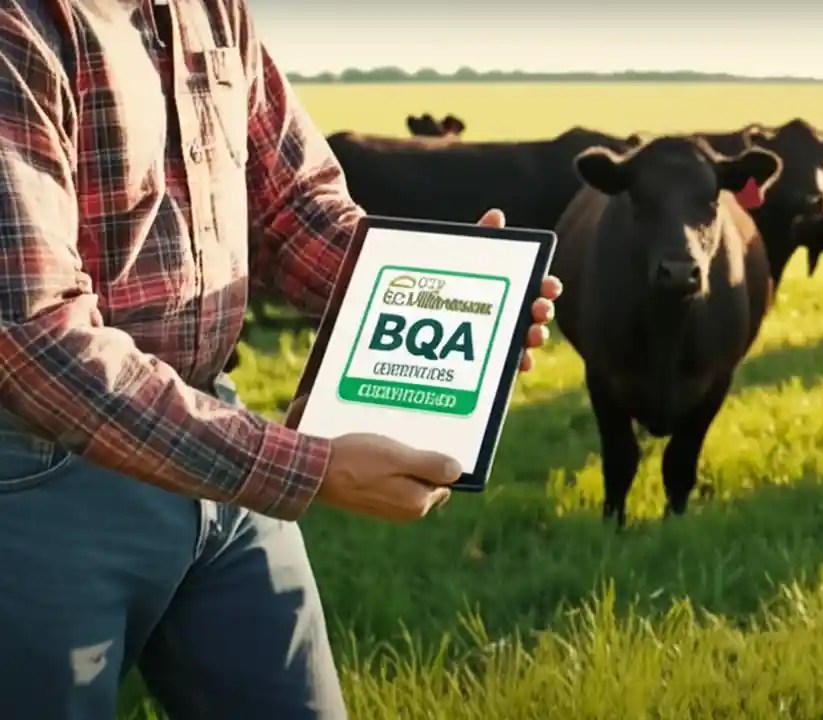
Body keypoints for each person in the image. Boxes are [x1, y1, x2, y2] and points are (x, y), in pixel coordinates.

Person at [0, 0, 560, 718]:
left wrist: (447, 300)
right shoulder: (23, 27)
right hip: (36, 472)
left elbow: (292, 206)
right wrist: (306, 466)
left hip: (216, 432)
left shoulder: (212, 9)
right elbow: (34, 337)